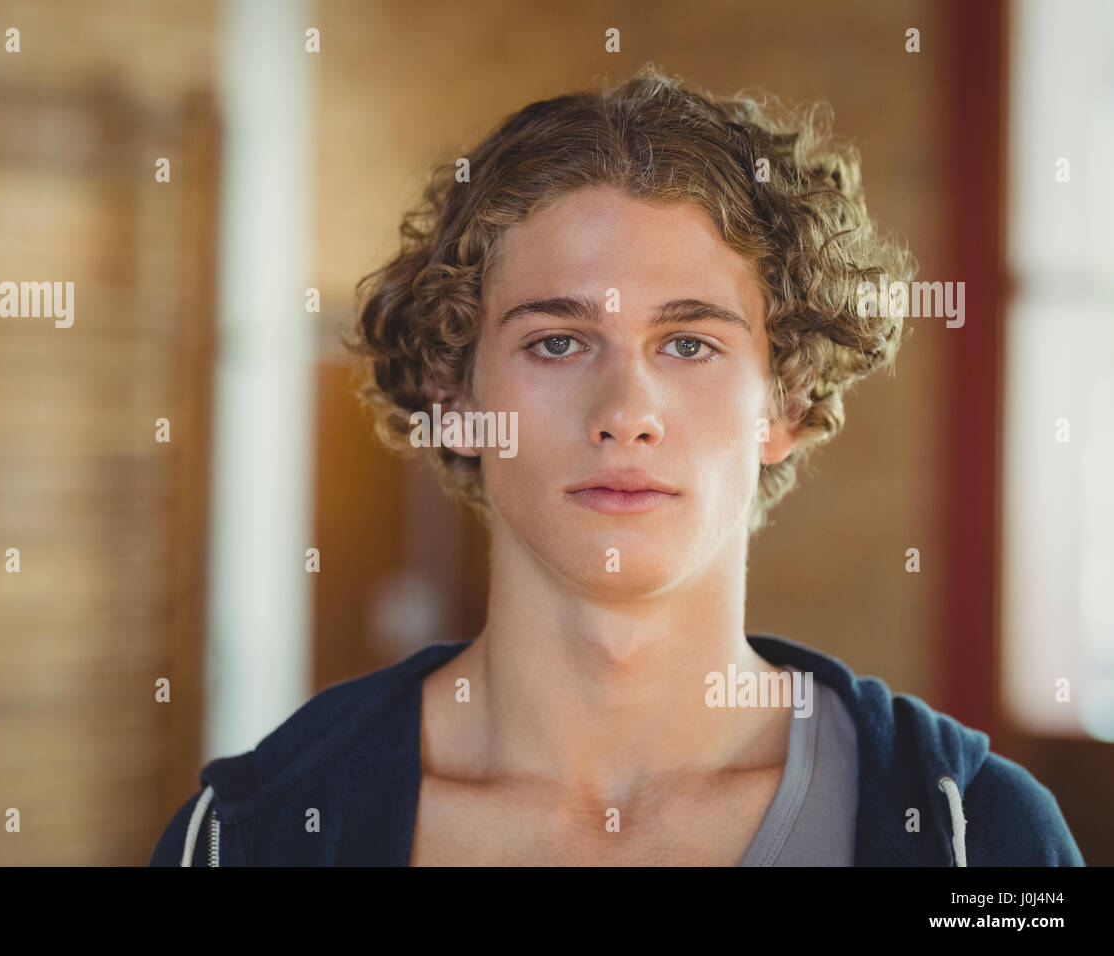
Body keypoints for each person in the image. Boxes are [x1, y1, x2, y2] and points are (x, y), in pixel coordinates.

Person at [150, 63, 1083, 866]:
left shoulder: (980, 839)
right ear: (454, 398)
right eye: (557, 342)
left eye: (688, 345)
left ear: (786, 403)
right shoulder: (252, 838)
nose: (626, 414)